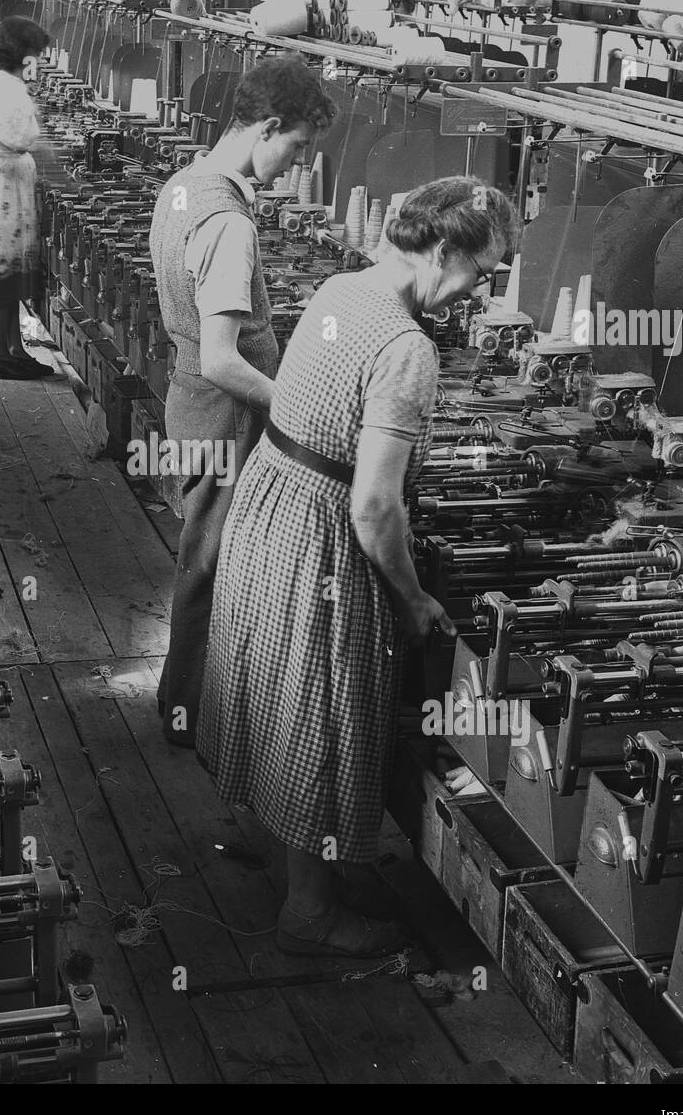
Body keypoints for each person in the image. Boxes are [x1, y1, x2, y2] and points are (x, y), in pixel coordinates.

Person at [198, 177, 520, 957]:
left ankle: (268, 841)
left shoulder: (343, 286)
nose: (477, 292)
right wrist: (412, 599)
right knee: (322, 705)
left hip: (271, 502)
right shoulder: (407, 348)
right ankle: (308, 912)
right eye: (483, 271)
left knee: (269, 682)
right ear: (443, 251)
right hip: (323, 537)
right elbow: (375, 508)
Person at [149, 57, 336, 748]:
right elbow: (222, 357)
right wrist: (297, 407)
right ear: (267, 126)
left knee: (202, 556)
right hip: (226, 419)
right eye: (296, 146)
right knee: (213, 567)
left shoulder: (183, 186)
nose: (296, 163)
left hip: (189, 406)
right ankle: (190, 718)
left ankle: (183, 702)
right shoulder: (230, 222)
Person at [0, 16, 55, 381]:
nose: (41, 61)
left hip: (8, 183)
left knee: (11, 270)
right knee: (1, 270)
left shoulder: (4, 84)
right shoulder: (10, 90)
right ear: (24, 54)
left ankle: (15, 349)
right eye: (38, 53)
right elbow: (21, 137)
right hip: (4, 185)